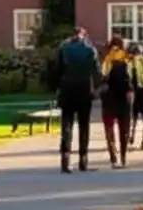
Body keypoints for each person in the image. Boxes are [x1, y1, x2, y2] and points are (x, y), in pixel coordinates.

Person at [51, 26, 102, 173]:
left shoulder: (63, 49)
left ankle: (65, 159)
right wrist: (96, 90)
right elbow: (97, 72)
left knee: (66, 125)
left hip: (67, 89)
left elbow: (56, 70)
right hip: (84, 90)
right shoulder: (90, 50)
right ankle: (83, 160)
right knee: (84, 125)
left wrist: (56, 88)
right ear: (83, 35)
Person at [99, 36, 135, 168]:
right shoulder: (127, 59)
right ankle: (124, 158)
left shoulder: (107, 59)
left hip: (109, 99)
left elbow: (102, 76)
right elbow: (132, 78)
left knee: (109, 129)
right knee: (124, 129)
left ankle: (113, 158)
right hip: (124, 98)